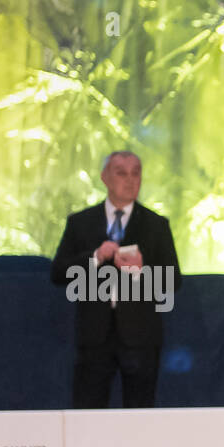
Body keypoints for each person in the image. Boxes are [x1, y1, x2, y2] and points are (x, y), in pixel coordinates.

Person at [49, 151, 182, 408]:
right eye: (121, 172)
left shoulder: (156, 225)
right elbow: (58, 273)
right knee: (88, 416)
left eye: (136, 173)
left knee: (139, 418)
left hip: (140, 337)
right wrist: (96, 257)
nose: (130, 180)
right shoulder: (81, 223)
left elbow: (174, 281)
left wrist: (144, 269)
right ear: (104, 178)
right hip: (94, 336)